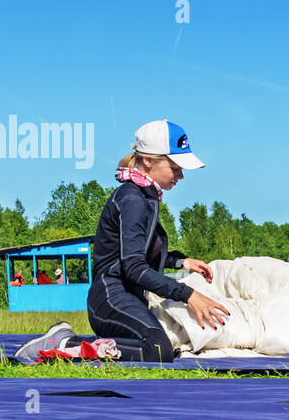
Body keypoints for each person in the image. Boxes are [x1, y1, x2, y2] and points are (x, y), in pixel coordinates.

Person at [15, 120, 230, 362]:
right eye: (176, 166)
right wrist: (188, 294)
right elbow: (135, 267)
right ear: (149, 161)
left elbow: (142, 254)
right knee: (157, 350)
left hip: (127, 297)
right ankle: (66, 343)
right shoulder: (132, 199)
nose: (180, 175)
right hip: (110, 298)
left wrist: (182, 262)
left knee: (165, 344)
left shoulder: (145, 197)